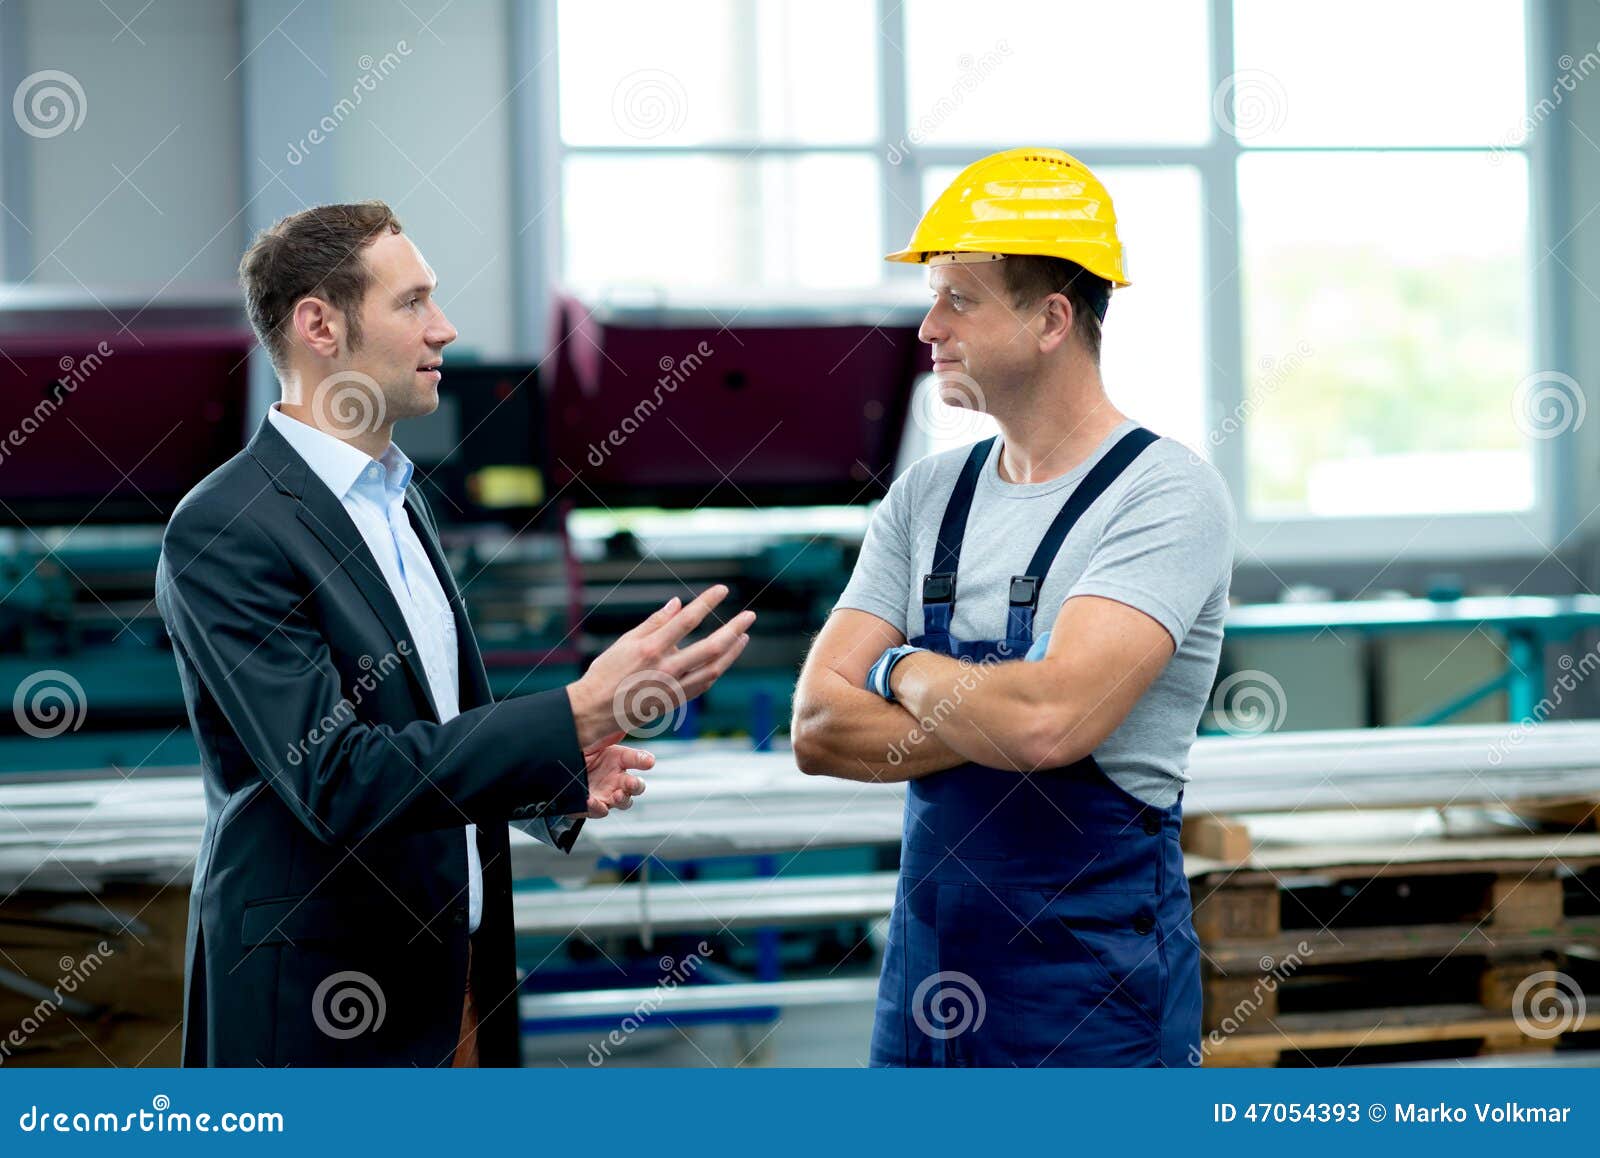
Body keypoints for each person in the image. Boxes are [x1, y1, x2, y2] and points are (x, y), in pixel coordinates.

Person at [155, 201, 754, 1067]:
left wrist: (552, 772)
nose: (445, 328)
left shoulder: (402, 501)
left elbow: (427, 735)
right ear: (319, 325)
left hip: (457, 976)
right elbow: (338, 778)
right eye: (412, 303)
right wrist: (577, 711)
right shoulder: (227, 526)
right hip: (324, 999)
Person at [791, 148, 1235, 1067]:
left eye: (958, 297)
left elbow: (1048, 726)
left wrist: (895, 668)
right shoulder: (925, 496)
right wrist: (1018, 709)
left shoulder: (1164, 496)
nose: (926, 327)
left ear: (1051, 320)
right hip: (925, 995)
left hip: (1094, 1007)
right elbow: (819, 727)